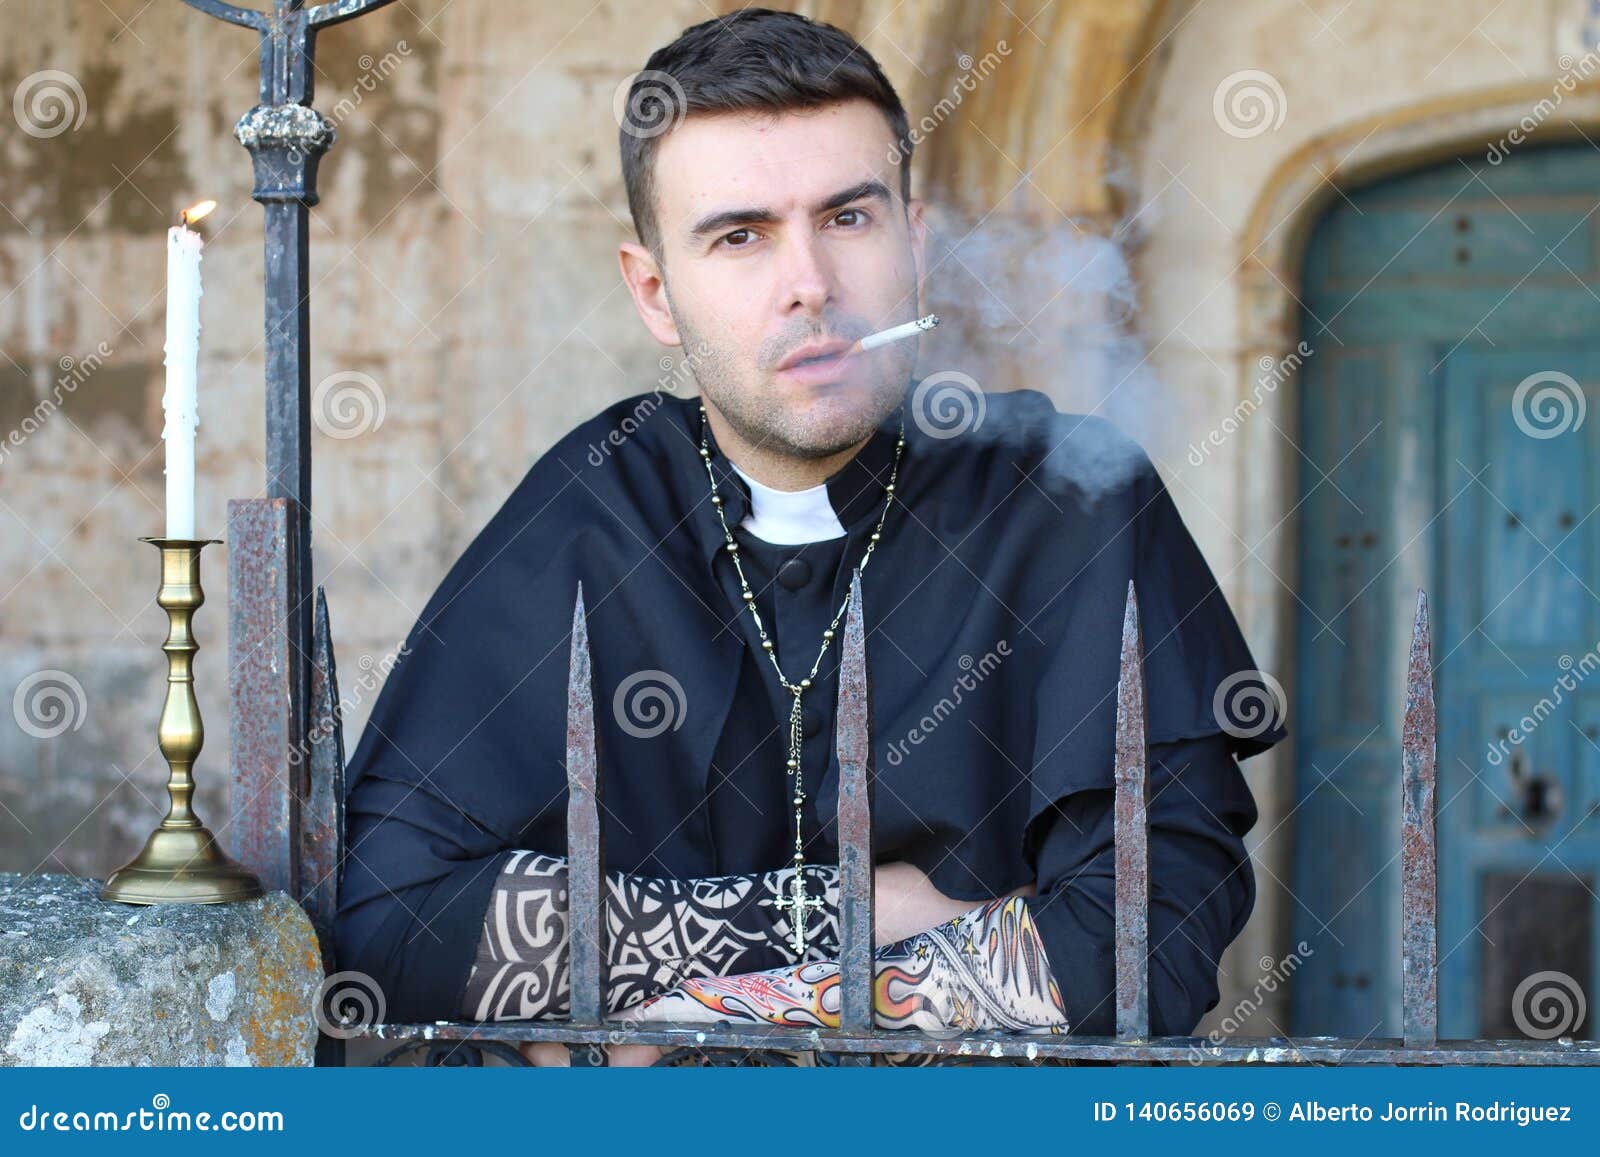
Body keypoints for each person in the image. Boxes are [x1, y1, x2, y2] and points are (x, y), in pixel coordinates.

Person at [332, 7, 1286, 1067]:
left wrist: (687, 1015)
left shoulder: (1068, 495)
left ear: (913, 241)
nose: (811, 284)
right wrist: (846, 913)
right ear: (654, 290)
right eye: (740, 235)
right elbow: (388, 920)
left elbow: (1149, 939)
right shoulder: (591, 504)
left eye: (847, 218)